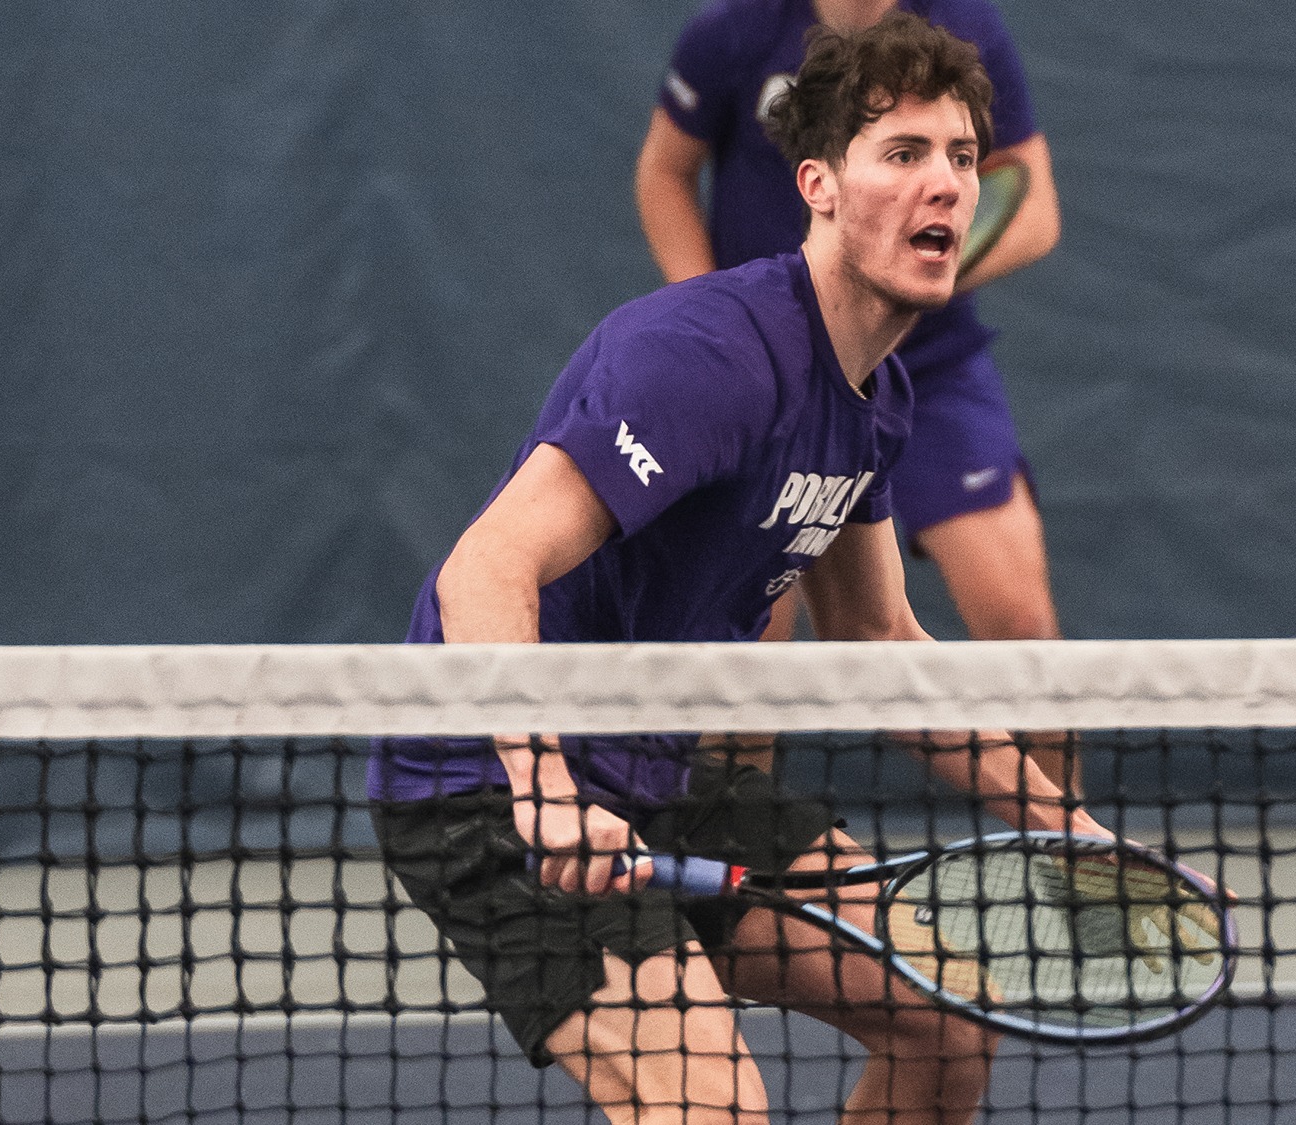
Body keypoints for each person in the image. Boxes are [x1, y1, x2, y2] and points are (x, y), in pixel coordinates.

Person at [370, 16, 1113, 1125]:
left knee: (948, 1019)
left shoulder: (872, 400)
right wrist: (544, 793)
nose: (947, 187)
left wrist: (1061, 821)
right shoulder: (707, 357)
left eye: (959, 157)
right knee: (711, 1111)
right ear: (817, 183)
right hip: (489, 785)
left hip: (660, 775)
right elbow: (483, 570)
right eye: (902, 154)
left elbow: (876, 642)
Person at [635, 0, 1081, 796]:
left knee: (1022, 625)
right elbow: (664, 171)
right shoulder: (733, 31)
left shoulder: (966, 28)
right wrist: (711, 321)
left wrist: (905, 282)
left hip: (934, 372)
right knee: (747, 670)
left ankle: (1075, 870)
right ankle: (742, 878)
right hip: (764, 382)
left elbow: (1034, 208)